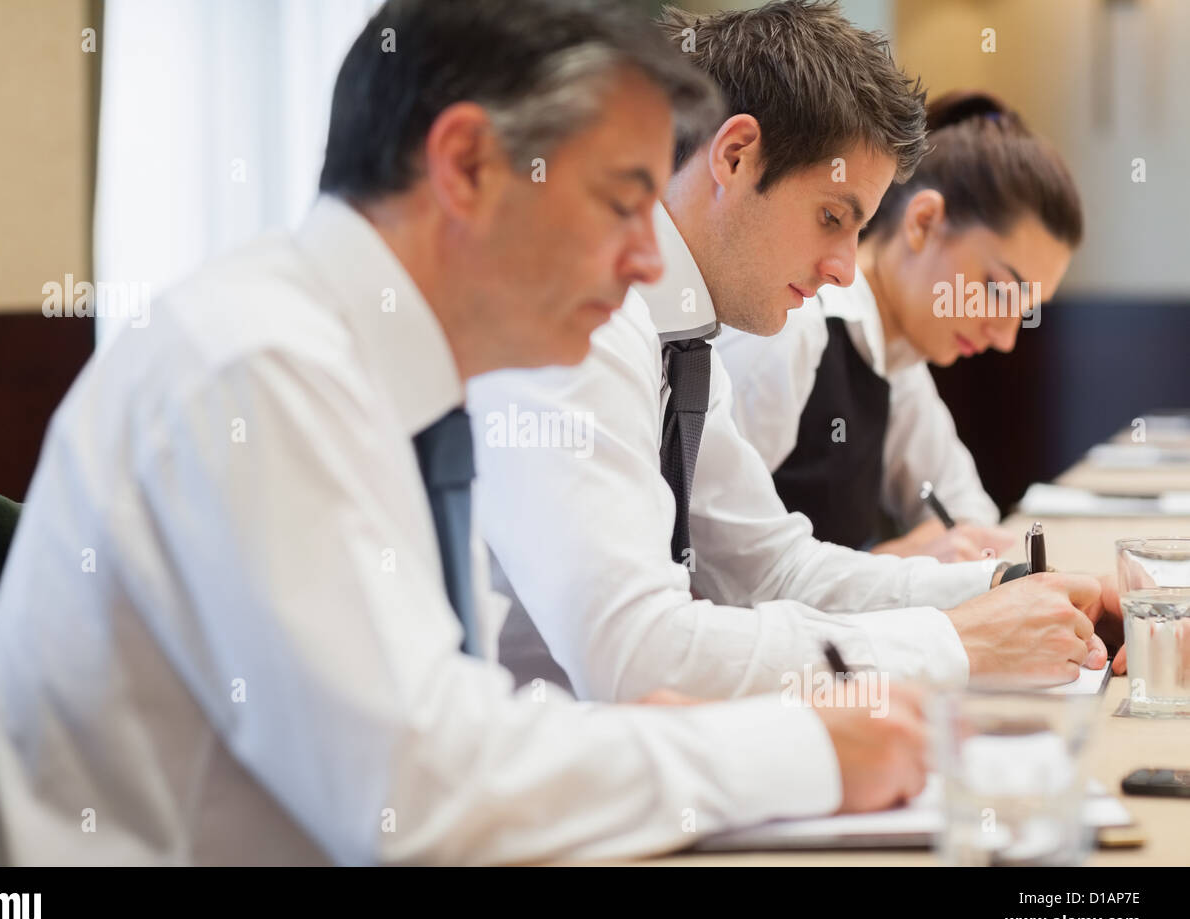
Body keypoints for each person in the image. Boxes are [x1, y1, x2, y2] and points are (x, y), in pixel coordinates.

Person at [0, 0, 931, 867]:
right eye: (623, 199)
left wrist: (648, 740)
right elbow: (413, 798)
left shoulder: (388, 373)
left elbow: (441, 728)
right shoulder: (258, 365)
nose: (648, 257)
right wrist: (790, 750)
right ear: (466, 166)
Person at [468, 1, 1117, 703]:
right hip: (541, 768)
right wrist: (957, 642)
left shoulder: (686, 335)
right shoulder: (587, 317)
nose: (845, 269)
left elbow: (772, 571)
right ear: (736, 155)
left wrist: (1002, 587)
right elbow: (633, 655)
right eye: (832, 217)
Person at [716, 91, 1079, 562]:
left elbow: (968, 515)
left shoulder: (896, 357)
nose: (1006, 338)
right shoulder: (793, 325)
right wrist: (904, 558)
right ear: (923, 223)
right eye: (998, 290)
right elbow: (717, 568)